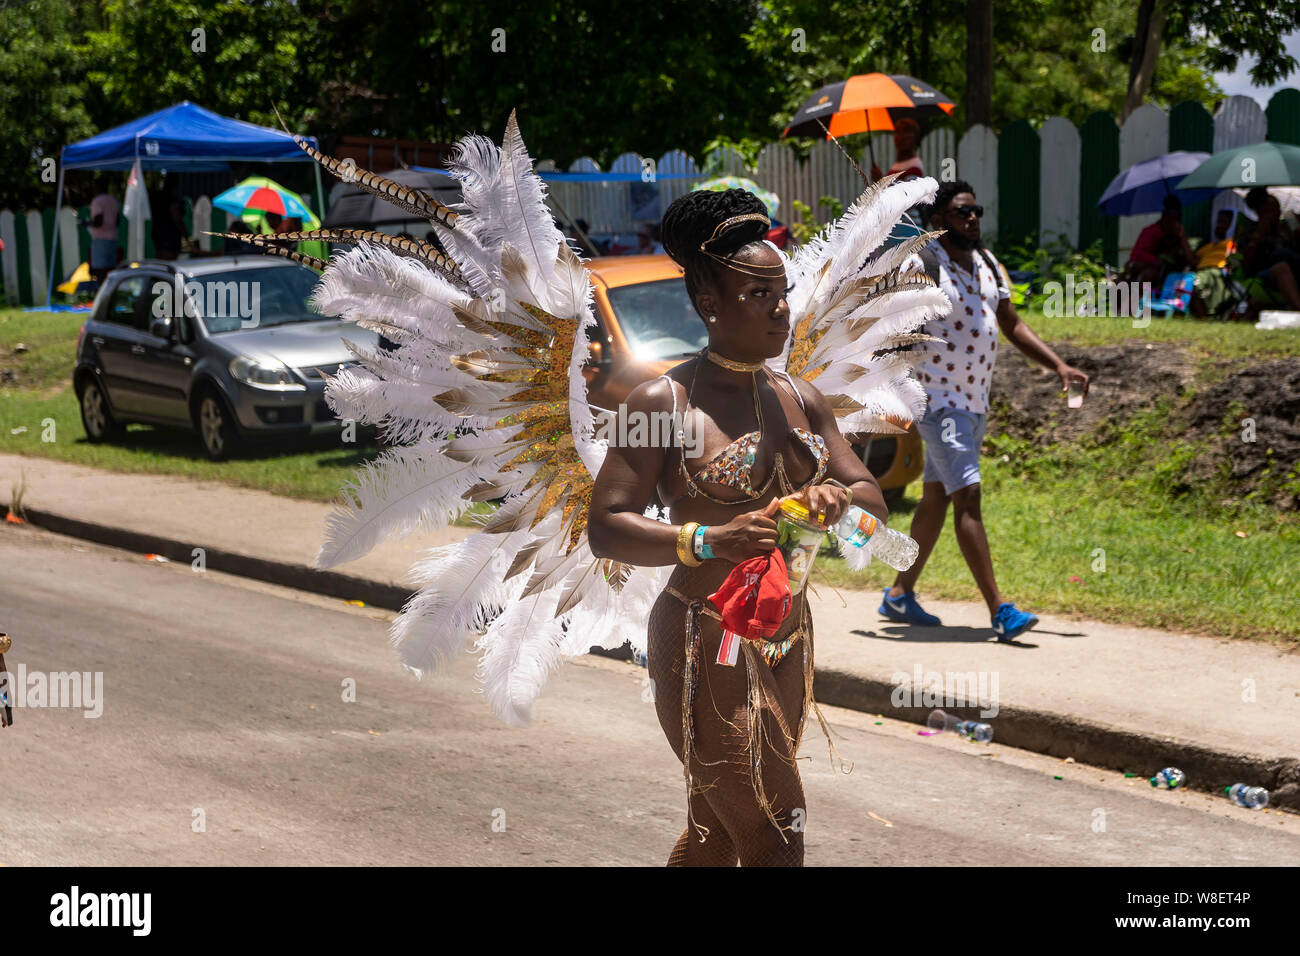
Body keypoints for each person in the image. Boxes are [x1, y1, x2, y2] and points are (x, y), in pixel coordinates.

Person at [589, 189, 889, 866]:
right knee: (778, 826)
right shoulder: (660, 401)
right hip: (706, 637)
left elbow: (870, 501)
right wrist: (707, 540)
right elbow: (605, 526)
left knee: (716, 832)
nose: (780, 309)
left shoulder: (800, 398)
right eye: (758, 294)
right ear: (709, 303)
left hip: (788, 633)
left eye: (782, 292)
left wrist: (841, 505)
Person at [881, 179, 1090, 641]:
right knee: (968, 497)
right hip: (937, 402)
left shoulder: (989, 263)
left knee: (934, 499)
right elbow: (890, 317)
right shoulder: (924, 262)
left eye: (976, 210)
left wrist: (1059, 366)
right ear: (938, 221)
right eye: (961, 212)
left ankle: (898, 594)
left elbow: (1010, 323)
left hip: (975, 401)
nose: (972, 218)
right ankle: (1000, 609)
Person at [1235, 187, 1300, 312]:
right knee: (1282, 266)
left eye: (1277, 209)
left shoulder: (1286, 227)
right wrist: (1259, 234)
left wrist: (1297, 232)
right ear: (1260, 212)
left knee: (1286, 258)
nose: (1275, 213)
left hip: (1295, 269)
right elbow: (1245, 264)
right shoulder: (1249, 230)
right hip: (1263, 275)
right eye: (1270, 211)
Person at [1124, 195, 1195, 286]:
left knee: (1146, 277)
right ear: (1164, 217)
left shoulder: (1181, 237)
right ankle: (1139, 299)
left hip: (1171, 276)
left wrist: (1182, 237)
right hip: (1148, 270)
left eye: (1176, 219)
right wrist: (1156, 261)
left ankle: (1142, 298)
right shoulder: (1152, 232)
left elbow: (1191, 260)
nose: (1172, 222)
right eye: (1169, 218)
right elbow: (1135, 257)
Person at [1189, 209, 1236, 318]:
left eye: (1224, 223)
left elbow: (1233, 259)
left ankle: (1203, 320)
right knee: (1184, 285)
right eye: (1218, 222)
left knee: (1194, 285)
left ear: (1231, 225)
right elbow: (1192, 260)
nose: (1219, 225)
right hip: (1200, 272)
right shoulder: (1209, 246)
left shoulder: (1231, 243)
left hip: (1215, 271)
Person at [86, 178, 120, 282]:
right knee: (111, 269)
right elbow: (117, 221)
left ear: (98, 187)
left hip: (100, 239)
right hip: (113, 238)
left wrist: (87, 223)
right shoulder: (113, 200)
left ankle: (102, 294)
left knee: (99, 269)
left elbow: (98, 222)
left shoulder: (97, 201)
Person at [871, 117, 924, 182]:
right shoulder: (896, 165)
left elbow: (907, 191)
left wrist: (881, 181)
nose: (900, 137)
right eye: (897, 132)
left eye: (906, 132)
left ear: (916, 138)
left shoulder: (914, 167)